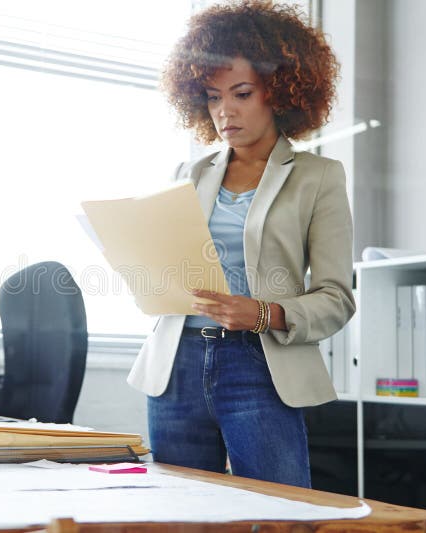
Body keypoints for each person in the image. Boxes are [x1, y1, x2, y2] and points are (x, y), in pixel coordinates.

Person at [126, 0, 355, 487]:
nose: (224, 111)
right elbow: (164, 272)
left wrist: (264, 313)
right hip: (177, 365)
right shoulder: (187, 174)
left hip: (259, 365)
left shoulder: (319, 177)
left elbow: (337, 298)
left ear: (280, 90)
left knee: (279, 511)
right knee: (182, 514)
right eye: (212, 97)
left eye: (241, 93)